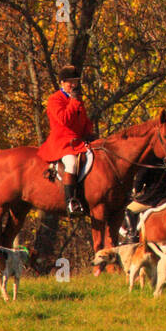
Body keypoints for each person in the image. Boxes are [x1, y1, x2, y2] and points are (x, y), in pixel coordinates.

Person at [36, 66, 96, 218]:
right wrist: (74, 102)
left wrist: (89, 133)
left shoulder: (75, 99)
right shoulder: (55, 99)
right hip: (61, 141)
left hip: (78, 140)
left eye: (75, 82)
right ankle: (71, 202)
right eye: (70, 83)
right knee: (71, 163)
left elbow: (83, 121)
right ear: (62, 83)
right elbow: (64, 119)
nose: (73, 86)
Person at [120, 155, 166, 243]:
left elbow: (140, 181)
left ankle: (132, 236)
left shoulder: (147, 161)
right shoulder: (163, 159)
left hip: (153, 196)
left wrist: (136, 188)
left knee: (129, 209)